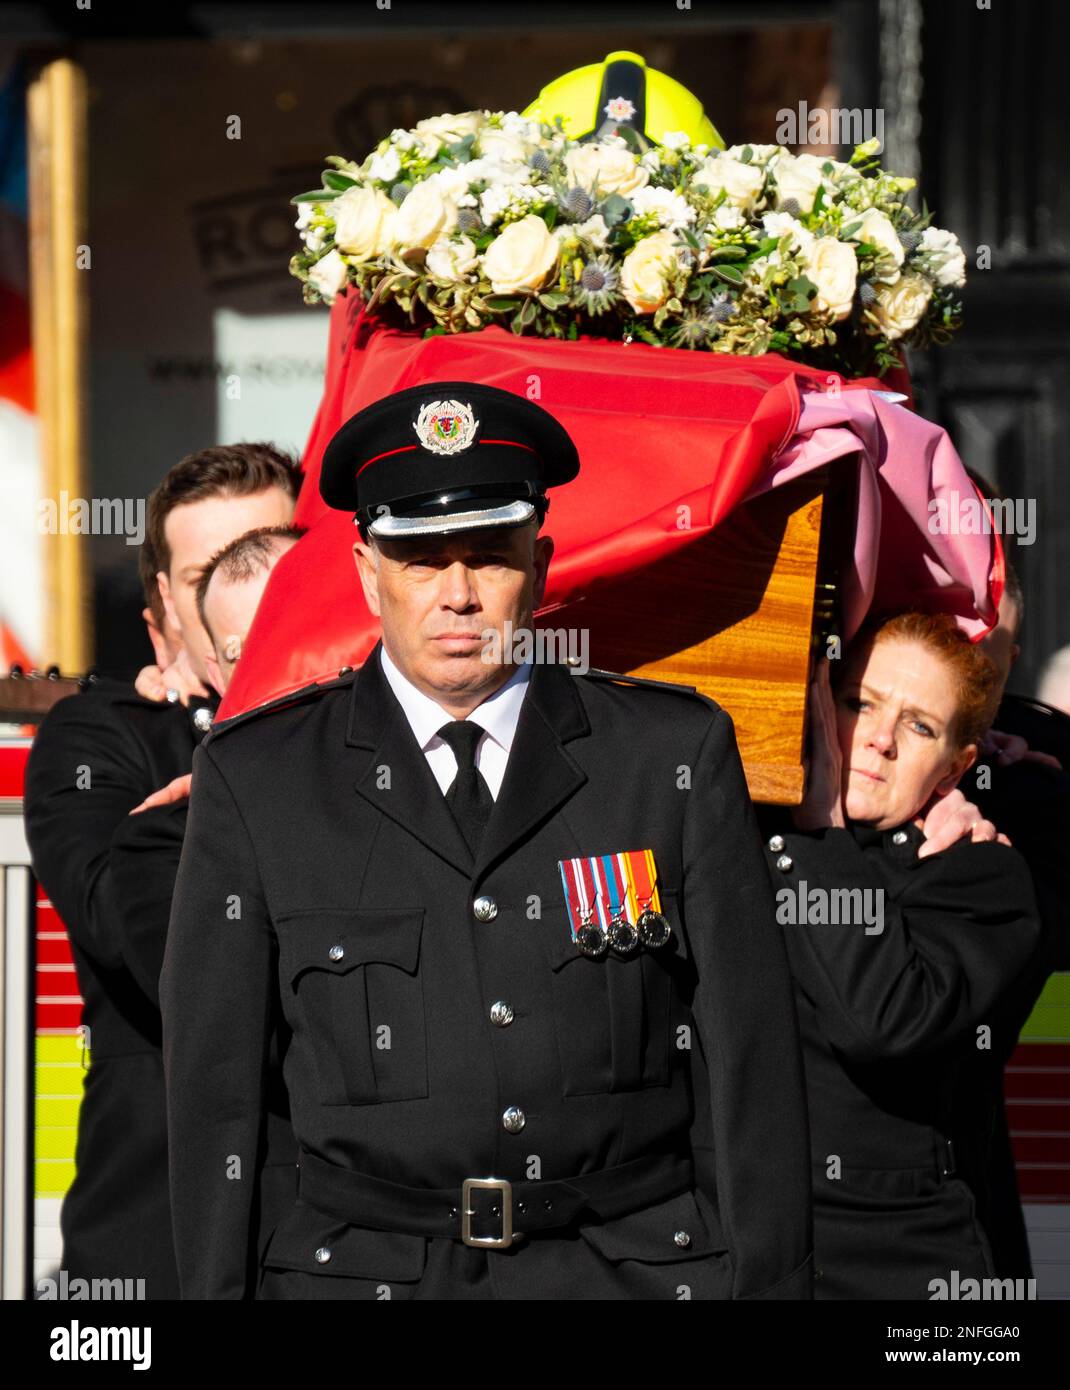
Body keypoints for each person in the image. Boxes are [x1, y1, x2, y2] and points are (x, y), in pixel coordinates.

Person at [161, 380, 813, 1301]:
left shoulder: (666, 756)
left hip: (622, 1274)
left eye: (490, 557)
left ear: (540, 565)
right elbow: (219, 1098)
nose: (458, 595)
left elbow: (748, 1066)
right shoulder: (260, 780)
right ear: (365, 573)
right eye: (422, 559)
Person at [24, 443, 301, 1298]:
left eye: (274, 552)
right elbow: (136, 931)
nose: (254, 583)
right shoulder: (101, 738)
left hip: (356, 1233)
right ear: (163, 622)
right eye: (213, 571)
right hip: (157, 1233)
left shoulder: (395, 726)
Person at [758, 610, 1041, 1299]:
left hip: (905, 1273)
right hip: (746, 1261)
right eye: (860, 703)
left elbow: (882, 1022)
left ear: (955, 767)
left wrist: (819, 832)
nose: (878, 740)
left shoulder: (982, 877)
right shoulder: (740, 832)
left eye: (919, 726)